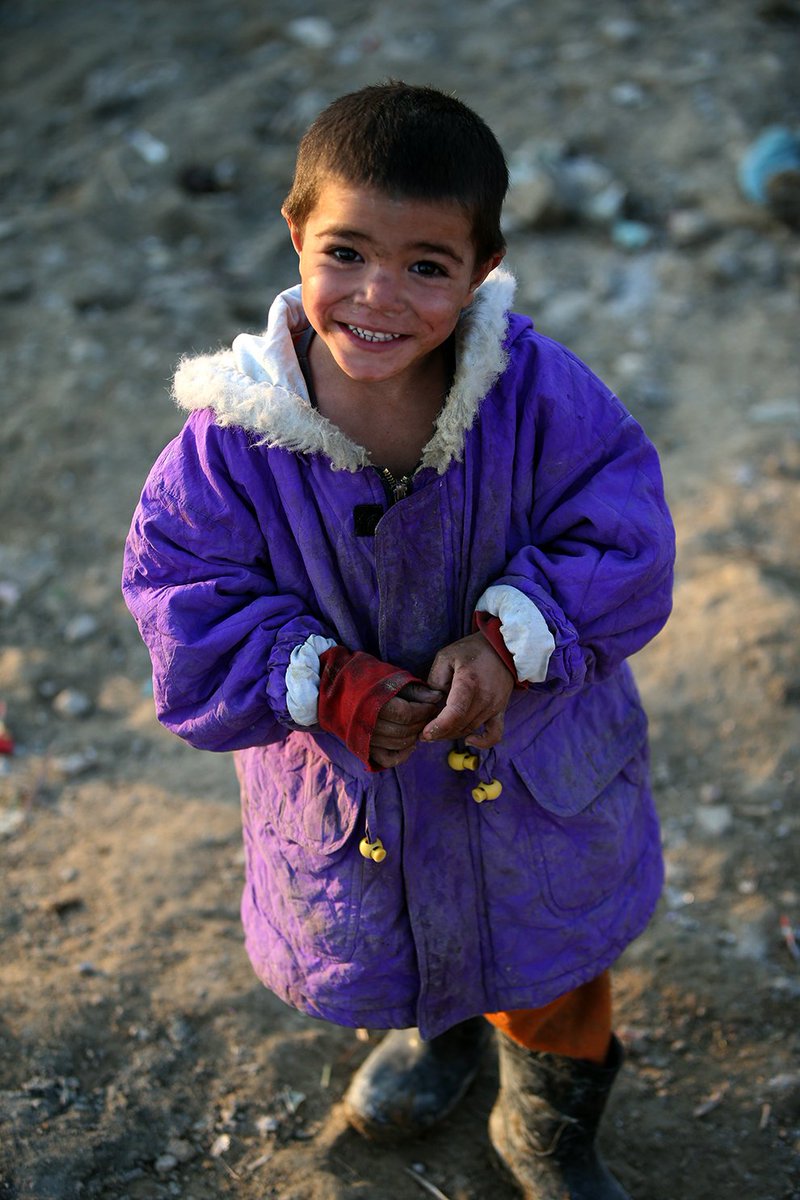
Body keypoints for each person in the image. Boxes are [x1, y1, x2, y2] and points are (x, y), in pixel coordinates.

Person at [122, 82, 675, 1199]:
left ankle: (549, 1135)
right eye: (347, 253)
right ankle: (442, 1032)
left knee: (551, 959)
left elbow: (623, 533)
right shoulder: (227, 448)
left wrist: (507, 639)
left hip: (530, 778)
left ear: (481, 267)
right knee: (404, 937)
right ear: (295, 235)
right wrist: (325, 684)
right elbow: (181, 595)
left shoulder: (539, 397)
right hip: (352, 789)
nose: (379, 297)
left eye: (427, 264)